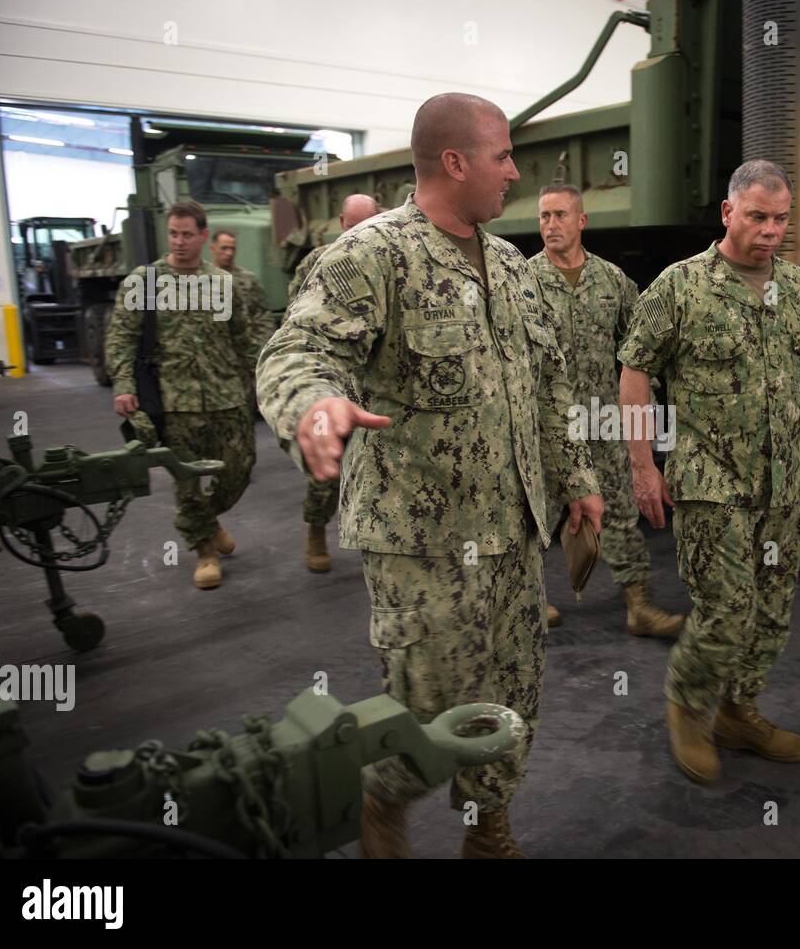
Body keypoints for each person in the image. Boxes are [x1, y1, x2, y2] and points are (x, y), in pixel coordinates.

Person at [257, 93, 602, 858]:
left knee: (512, 695)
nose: (515, 171)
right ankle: (384, 795)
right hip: (423, 541)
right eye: (503, 155)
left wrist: (576, 476)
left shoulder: (511, 265)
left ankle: (488, 828)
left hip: (512, 533)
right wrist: (313, 408)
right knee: (430, 701)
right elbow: (297, 350)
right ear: (455, 162)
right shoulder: (373, 254)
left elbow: (547, 384)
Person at [617, 159, 800, 785]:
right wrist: (643, 466)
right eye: (758, 216)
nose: (771, 230)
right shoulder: (680, 286)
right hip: (710, 483)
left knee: (772, 611)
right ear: (728, 213)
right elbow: (636, 372)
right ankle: (689, 708)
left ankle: (738, 711)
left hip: (783, 483)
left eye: (781, 219)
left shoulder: (795, 288)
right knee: (726, 610)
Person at [528, 183, 683, 637]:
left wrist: (648, 412)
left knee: (620, 511)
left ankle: (638, 605)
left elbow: (639, 353)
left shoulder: (613, 281)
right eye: (543, 217)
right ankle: (527, 602)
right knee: (536, 515)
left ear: (581, 221)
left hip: (604, 419)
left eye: (559, 215)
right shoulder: (521, 282)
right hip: (548, 425)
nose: (550, 225)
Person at [106, 201, 258, 590]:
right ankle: (205, 552)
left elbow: (243, 339)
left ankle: (202, 520)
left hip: (228, 395)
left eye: (187, 234)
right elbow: (121, 337)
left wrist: (264, 380)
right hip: (175, 402)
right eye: (173, 234)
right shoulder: (146, 281)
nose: (179, 242)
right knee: (187, 481)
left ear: (203, 236)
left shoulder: (222, 283)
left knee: (238, 472)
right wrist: (124, 385)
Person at [283, 193, 381, 572]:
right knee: (327, 464)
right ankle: (315, 528)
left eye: (366, 222)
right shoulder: (316, 262)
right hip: (335, 383)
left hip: (376, 387)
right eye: (352, 223)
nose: (357, 231)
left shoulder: (386, 256)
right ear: (341, 222)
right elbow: (300, 324)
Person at [209, 228, 273, 415]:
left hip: (243, 357)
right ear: (213, 248)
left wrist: (261, 350)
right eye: (223, 248)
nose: (228, 253)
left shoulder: (248, 280)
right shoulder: (203, 280)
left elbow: (263, 317)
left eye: (232, 248)